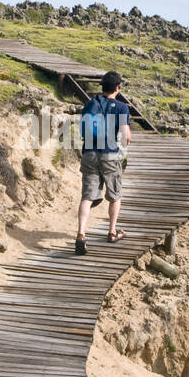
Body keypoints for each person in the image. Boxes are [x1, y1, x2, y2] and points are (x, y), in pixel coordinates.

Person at [75, 70, 132, 255]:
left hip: (89, 153)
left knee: (87, 196)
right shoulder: (122, 107)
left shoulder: (91, 103)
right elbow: (126, 137)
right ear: (117, 87)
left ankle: (81, 234)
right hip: (109, 154)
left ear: (102, 87)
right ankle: (112, 232)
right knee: (115, 194)